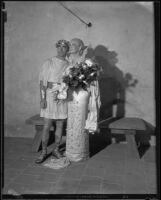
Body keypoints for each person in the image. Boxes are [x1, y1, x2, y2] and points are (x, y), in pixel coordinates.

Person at [64, 38, 101, 162]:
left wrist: (82, 82)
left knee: (80, 121)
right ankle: (70, 152)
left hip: (82, 94)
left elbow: (93, 81)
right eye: (70, 44)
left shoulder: (87, 62)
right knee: (72, 123)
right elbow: (64, 81)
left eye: (73, 44)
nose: (70, 46)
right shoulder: (68, 63)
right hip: (71, 95)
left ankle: (81, 153)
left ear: (80, 48)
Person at [35, 40, 69, 164]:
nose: (61, 50)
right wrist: (43, 99)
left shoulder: (69, 64)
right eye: (59, 47)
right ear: (56, 48)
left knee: (60, 125)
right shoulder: (48, 62)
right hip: (49, 95)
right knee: (47, 126)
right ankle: (44, 152)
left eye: (64, 47)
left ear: (67, 50)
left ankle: (56, 149)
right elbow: (42, 82)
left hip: (62, 96)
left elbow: (69, 83)